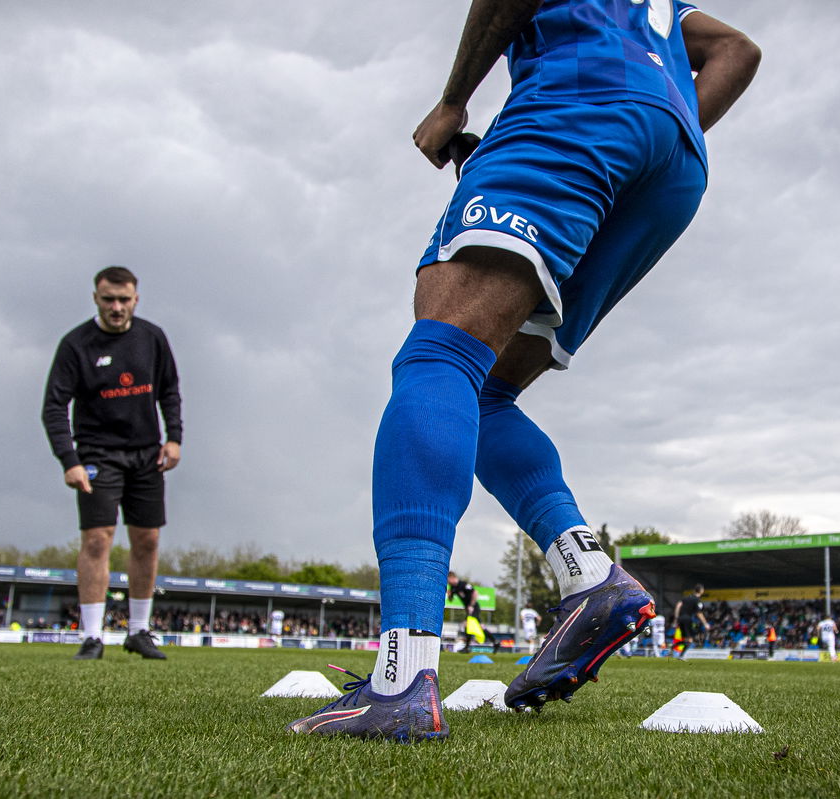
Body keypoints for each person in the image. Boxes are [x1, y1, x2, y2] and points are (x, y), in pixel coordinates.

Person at [288, 0, 759, 741]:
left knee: (439, 356)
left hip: (578, 106)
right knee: (487, 394)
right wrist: (665, 120)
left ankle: (402, 677)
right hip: (673, 163)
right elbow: (737, 50)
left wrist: (453, 103)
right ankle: (588, 572)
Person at [43, 265, 183, 661]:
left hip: (147, 454)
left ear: (136, 299)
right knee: (97, 538)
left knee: (148, 540)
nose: (117, 307)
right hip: (96, 454)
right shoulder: (76, 344)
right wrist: (69, 459)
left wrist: (174, 438)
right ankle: (92, 636)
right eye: (109, 300)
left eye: (124, 300)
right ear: (96, 299)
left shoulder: (152, 337)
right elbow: (54, 406)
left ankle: (139, 630)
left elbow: (170, 390)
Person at [447, 572, 484, 651]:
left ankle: (467, 647)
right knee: (478, 626)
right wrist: (449, 594)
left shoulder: (463, 584)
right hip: (468, 609)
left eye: (448, 580)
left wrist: (471, 605)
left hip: (474, 607)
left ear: (452, 577)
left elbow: (475, 592)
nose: (448, 582)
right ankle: (494, 642)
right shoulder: (453, 588)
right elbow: (450, 600)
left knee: (467, 625)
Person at [673, 584, 711, 658]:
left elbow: (678, 605)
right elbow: (699, 613)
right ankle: (680, 655)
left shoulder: (686, 598)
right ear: (701, 591)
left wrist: (676, 618)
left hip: (680, 619)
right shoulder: (697, 600)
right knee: (690, 640)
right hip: (687, 619)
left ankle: (675, 649)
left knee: (686, 639)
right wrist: (705, 624)